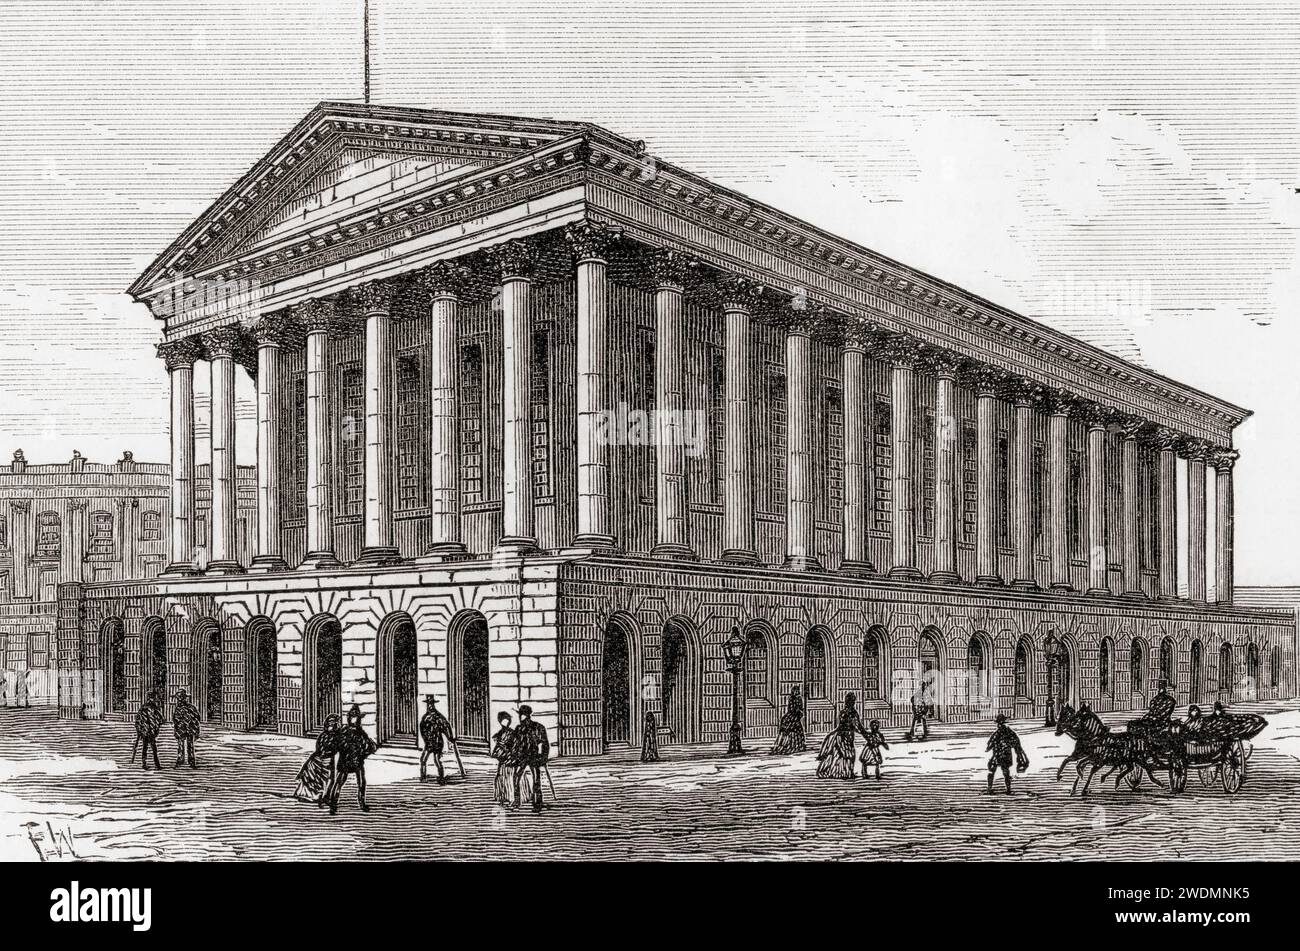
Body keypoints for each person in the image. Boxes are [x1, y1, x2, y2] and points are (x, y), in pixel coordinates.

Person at [328, 705, 377, 815]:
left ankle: (335, 804)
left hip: (350, 761)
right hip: (351, 761)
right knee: (345, 782)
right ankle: (335, 804)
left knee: (353, 783)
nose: (355, 720)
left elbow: (370, 747)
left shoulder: (348, 731)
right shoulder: (355, 732)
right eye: (355, 718)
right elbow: (370, 747)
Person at [816, 692, 869, 779]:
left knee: (838, 754)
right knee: (847, 754)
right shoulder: (853, 713)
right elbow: (857, 726)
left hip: (840, 735)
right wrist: (866, 735)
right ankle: (845, 773)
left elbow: (849, 725)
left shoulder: (842, 712)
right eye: (852, 701)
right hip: (846, 736)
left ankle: (839, 772)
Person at [294, 714, 341, 806]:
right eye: (331, 723)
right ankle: (311, 795)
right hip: (319, 759)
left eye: (334, 723)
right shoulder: (326, 735)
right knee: (313, 777)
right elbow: (322, 748)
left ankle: (320, 796)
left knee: (322, 779)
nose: (332, 725)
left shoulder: (332, 736)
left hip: (324, 760)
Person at [512, 705, 549, 812]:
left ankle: (537, 802)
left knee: (535, 778)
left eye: (522, 715)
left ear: (527, 715)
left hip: (533, 756)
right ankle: (517, 801)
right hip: (522, 756)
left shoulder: (538, 727)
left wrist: (543, 758)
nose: (521, 717)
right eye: (520, 715)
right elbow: (515, 744)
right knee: (517, 777)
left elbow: (544, 744)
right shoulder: (519, 728)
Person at [986, 714, 1027, 794]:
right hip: (1006, 754)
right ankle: (1008, 789)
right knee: (1006, 772)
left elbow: (990, 743)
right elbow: (1016, 742)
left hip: (997, 754)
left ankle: (989, 788)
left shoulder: (997, 733)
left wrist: (989, 747)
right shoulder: (1010, 732)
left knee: (992, 770)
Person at [418, 695, 455, 784]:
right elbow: (422, 729)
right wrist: (425, 739)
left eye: (431, 704)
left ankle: (441, 778)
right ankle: (423, 777)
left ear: (433, 705)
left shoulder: (438, 717)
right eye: (428, 704)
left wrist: (450, 738)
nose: (429, 706)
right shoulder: (425, 717)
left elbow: (446, 727)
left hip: (437, 742)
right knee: (423, 759)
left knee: (436, 760)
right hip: (429, 742)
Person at [491, 711, 518, 807]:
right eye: (502, 720)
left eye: (506, 720)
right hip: (502, 759)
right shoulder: (500, 732)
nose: (504, 722)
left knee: (509, 778)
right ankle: (502, 797)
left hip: (510, 759)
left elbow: (514, 746)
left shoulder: (512, 733)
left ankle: (511, 798)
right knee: (501, 776)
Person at [770, 686, 806, 754]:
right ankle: (785, 745)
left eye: (797, 691)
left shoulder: (799, 698)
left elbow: (800, 708)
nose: (796, 692)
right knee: (787, 727)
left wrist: (799, 713)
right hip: (792, 715)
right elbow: (791, 708)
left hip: (796, 716)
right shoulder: (791, 698)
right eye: (795, 691)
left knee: (796, 730)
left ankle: (797, 746)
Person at [134, 691, 164, 771]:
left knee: (150, 748)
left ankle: (153, 764)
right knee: (149, 748)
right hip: (147, 731)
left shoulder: (152, 708)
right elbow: (138, 721)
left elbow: (161, 719)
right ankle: (149, 764)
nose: (154, 700)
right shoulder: (147, 708)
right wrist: (140, 730)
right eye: (153, 698)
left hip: (149, 731)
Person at [172, 689, 200, 768]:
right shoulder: (184, 708)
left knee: (189, 745)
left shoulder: (189, 708)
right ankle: (182, 761)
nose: (179, 700)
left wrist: (195, 729)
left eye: (180, 698)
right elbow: (175, 719)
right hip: (182, 730)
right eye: (178, 698)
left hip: (187, 729)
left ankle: (190, 761)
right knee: (182, 745)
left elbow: (197, 718)